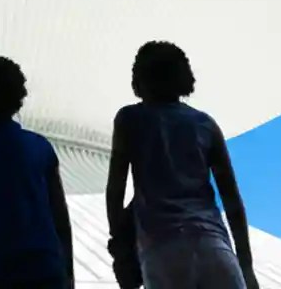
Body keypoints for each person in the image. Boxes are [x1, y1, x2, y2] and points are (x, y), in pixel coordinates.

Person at [105, 41, 260, 289]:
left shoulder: (129, 119)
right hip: (214, 246)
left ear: (139, 78)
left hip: (161, 248)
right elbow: (232, 200)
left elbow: (115, 192)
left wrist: (121, 250)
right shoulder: (205, 124)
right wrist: (247, 267)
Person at [0, 56, 74, 289]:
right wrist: (68, 272)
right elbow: (60, 215)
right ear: (19, 96)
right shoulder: (40, 147)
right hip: (45, 267)